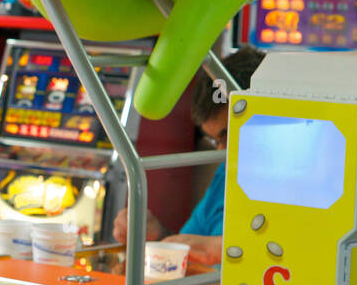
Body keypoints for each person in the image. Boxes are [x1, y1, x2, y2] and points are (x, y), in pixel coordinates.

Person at [113, 47, 265, 266]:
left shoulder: (305, 182)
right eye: (215, 141)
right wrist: (157, 235)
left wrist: (223, 249)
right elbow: (190, 248)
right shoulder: (227, 173)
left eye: (230, 136)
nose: (222, 151)